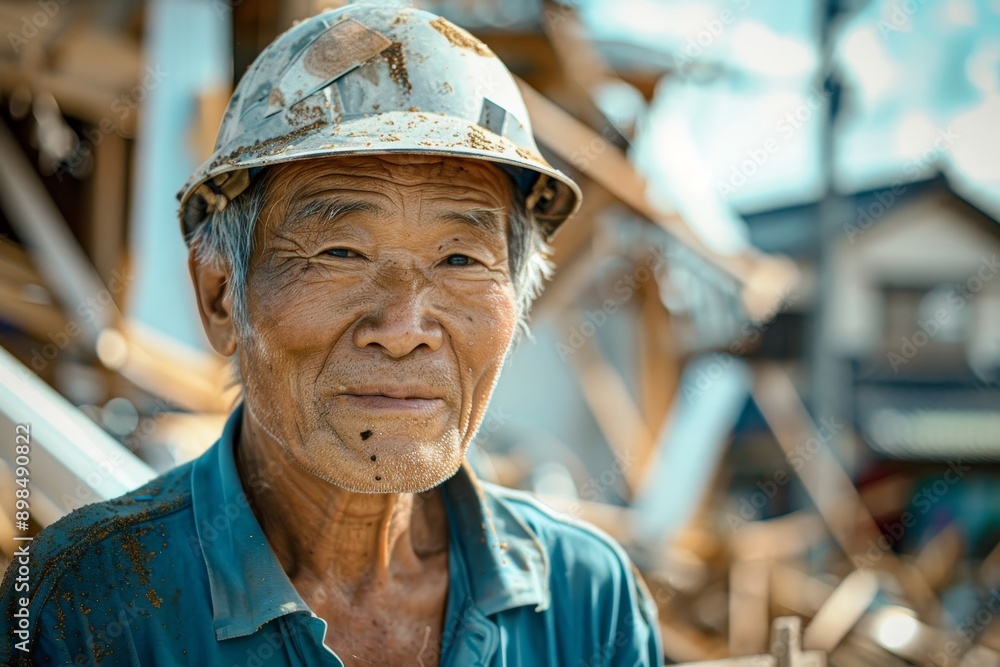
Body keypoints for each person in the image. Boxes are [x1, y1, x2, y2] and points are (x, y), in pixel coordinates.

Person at [0, 3, 662, 665]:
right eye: (339, 252)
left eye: (460, 258)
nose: (403, 328)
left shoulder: (587, 599)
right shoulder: (87, 604)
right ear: (220, 295)